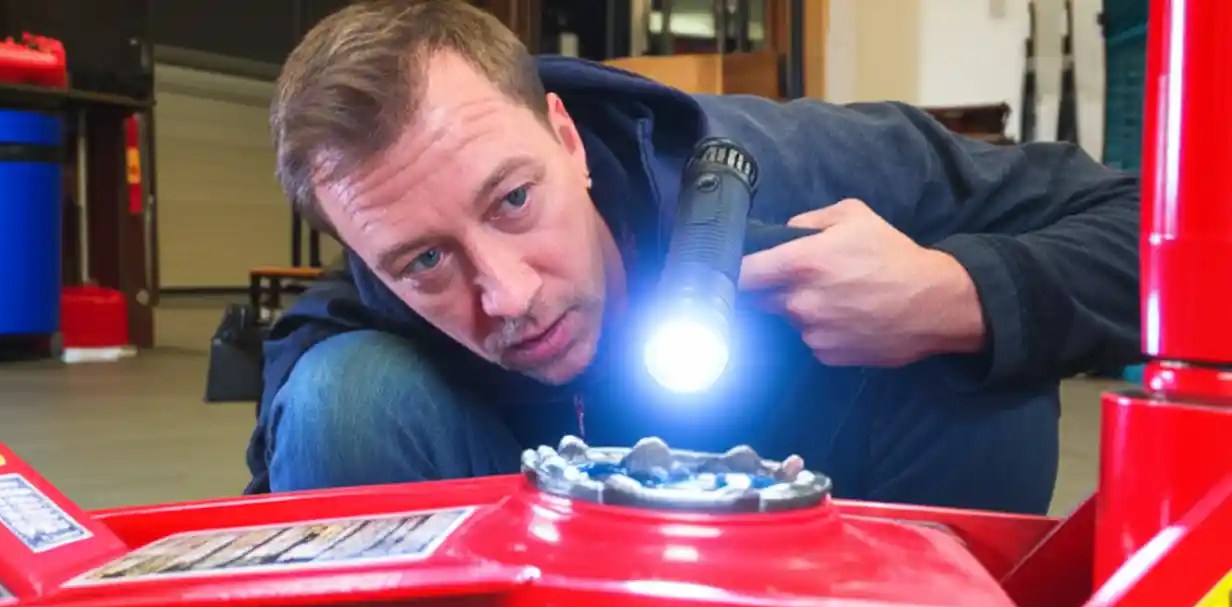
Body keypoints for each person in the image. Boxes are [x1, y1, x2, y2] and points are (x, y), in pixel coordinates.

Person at [245, 0, 1141, 514]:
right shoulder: (371, 301)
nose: (507, 297)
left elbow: (1155, 224)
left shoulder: (804, 166)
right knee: (337, 398)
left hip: (808, 557)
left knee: (980, 356)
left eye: (514, 201)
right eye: (424, 263)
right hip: (526, 603)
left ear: (566, 138)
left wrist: (957, 296)